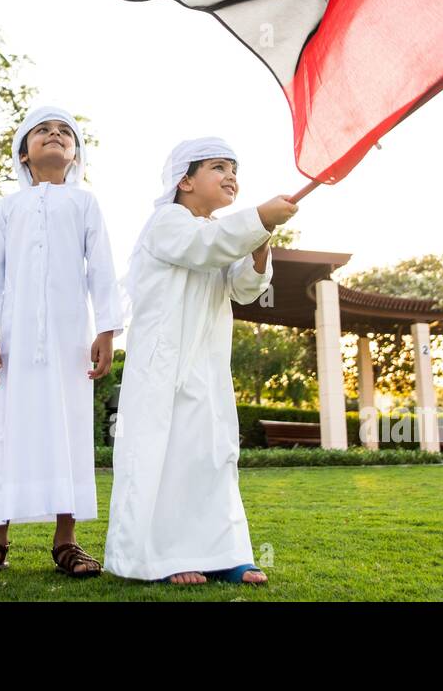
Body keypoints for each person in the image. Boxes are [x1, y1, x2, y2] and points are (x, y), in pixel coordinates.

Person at [104, 137, 298, 585]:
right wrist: (259, 219)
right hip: (162, 365)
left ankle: (225, 554)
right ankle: (161, 559)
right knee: (162, 457)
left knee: (211, 456)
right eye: (218, 167)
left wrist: (261, 241)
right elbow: (205, 247)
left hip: (207, 366)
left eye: (234, 168)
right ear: (185, 181)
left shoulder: (215, 232)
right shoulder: (167, 222)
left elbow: (245, 287)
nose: (231, 176)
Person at [0, 106, 124, 578]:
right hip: (17, 337)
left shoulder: (85, 203)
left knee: (69, 429)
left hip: (70, 339)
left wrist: (106, 328)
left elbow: (102, 267)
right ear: (24, 155)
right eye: (42, 130)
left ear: (75, 153)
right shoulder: (9, 207)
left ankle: (66, 541)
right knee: (11, 429)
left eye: (64, 131)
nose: (54, 135)